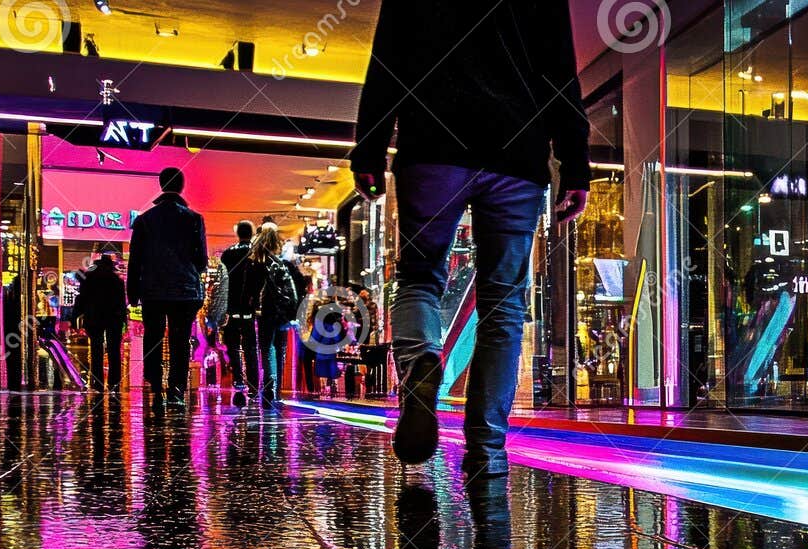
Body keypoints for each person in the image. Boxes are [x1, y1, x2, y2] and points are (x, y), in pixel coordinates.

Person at [351, 0, 591, 475]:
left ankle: (422, 363)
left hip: (431, 149)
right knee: (504, 304)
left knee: (419, 277)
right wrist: (575, 163)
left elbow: (388, 59)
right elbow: (560, 70)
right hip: (517, 155)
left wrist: (370, 148)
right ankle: (486, 445)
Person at [128, 167, 207, 408]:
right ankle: (176, 389)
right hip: (184, 291)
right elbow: (202, 261)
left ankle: (154, 383)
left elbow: (136, 259)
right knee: (180, 339)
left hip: (152, 290)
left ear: (161, 185)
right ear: (182, 187)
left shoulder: (144, 221)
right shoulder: (194, 219)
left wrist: (132, 292)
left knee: (153, 336)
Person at [249, 224, 300, 407]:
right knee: (280, 349)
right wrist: (290, 314)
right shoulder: (282, 264)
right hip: (281, 313)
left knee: (266, 348)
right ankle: (276, 390)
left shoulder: (255, 263)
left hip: (264, 312)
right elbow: (292, 292)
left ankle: (269, 385)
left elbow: (250, 291)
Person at [69, 254, 129, 392]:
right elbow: (121, 304)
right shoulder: (116, 281)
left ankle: (98, 382)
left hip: (94, 318)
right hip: (113, 319)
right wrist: (123, 322)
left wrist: (74, 319)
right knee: (114, 351)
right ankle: (114, 383)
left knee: (96, 350)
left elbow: (81, 300)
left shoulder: (89, 279)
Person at [219, 220, 258, 406]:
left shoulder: (228, 254)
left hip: (232, 307)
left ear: (238, 233)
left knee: (233, 345)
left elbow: (224, 281)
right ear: (251, 233)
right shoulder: (257, 253)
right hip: (250, 309)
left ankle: (238, 379)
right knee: (251, 346)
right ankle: (254, 383)